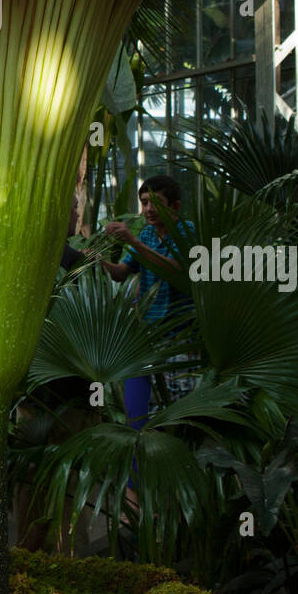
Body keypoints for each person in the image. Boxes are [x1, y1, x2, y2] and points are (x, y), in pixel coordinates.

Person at [101, 175, 197, 424]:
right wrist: (98, 259)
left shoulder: (188, 232)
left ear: (175, 206)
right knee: (141, 412)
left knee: (177, 410)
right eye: (144, 203)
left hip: (180, 337)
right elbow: (121, 273)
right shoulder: (147, 235)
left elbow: (175, 270)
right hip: (148, 336)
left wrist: (132, 241)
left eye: (156, 203)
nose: (149, 210)